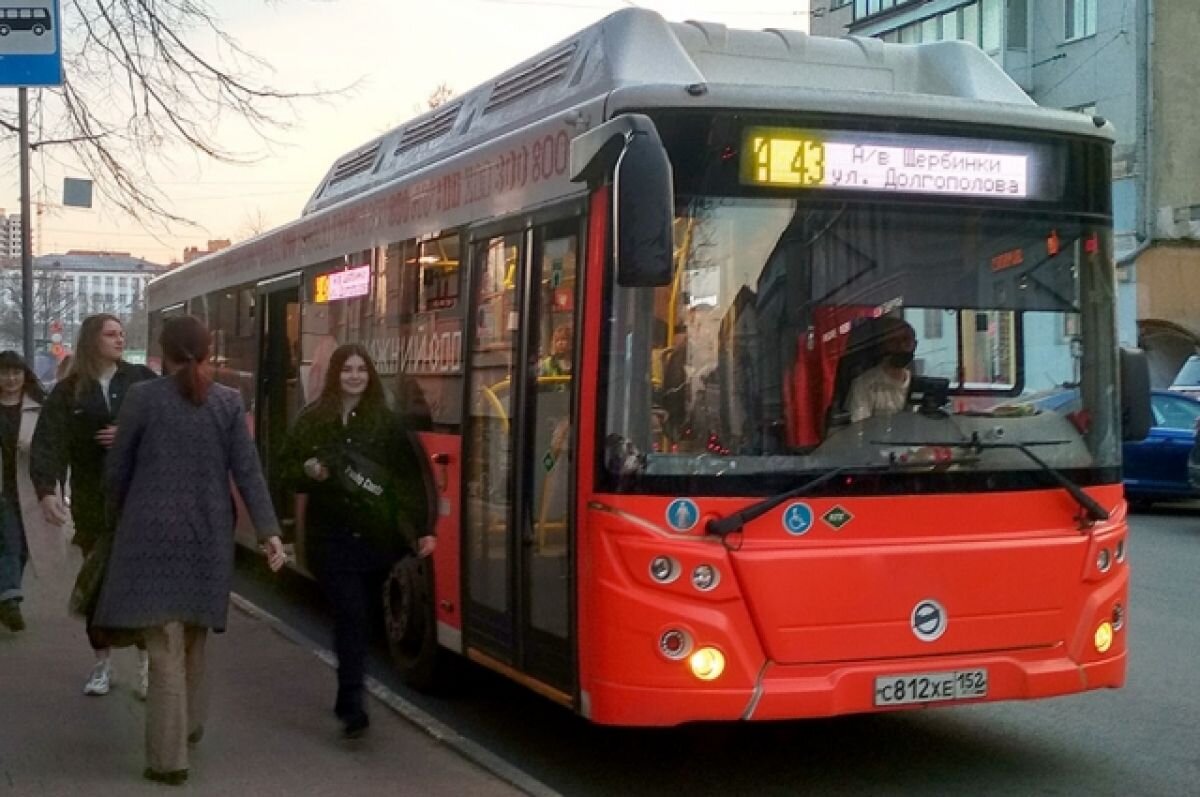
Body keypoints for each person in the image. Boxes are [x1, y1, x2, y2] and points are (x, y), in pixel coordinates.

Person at [91, 315, 286, 786]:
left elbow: (117, 471)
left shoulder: (142, 399)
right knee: (194, 640)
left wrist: (109, 516)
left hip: (150, 537)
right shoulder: (227, 403)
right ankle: (190, 726)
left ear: (164, 352)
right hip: (208, 537)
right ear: (205, 351)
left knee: (163, 647)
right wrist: (269, 532)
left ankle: (167, 759)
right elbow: (249, 473)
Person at [283, 344, 434, 739]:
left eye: (360, 369)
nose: (354, 376)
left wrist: (423, 529)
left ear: (369, 375)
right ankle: (352, 702)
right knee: (351, 614)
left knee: (361, 617)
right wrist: (306, 470)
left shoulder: (386, 423)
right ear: (336, 374)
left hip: (373, 539)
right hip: (328, 537)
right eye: (347, 369)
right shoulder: (313, 419)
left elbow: (410, 480)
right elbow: (283, 468)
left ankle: (348, 691)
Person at [30, 314, 157, 697]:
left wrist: (128, 432)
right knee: (96, 585)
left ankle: (146, 664)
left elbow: (170, 425)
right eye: (111, 334)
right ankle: (102, 664)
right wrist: (47, 490)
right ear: (92, 340)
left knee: (139, 586)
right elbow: (49, 442)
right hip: (92, 502)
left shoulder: (141, 381)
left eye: (122, 333)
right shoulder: (69, 391)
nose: (120, 339)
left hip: (139, 501)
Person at [0, 352, 63, 632]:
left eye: (16, 372)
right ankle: (10, 599)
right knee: (10, 542)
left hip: (28, 487)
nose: (10, 379)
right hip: (2, 488)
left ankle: (7, 593)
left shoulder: (39, 407)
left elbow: (53, 445)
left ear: (25, 375)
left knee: (24, 546)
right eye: (4, 373)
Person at [846, 316, 916, 423]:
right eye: (893, 340)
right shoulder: (864, 385)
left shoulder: (919, 385)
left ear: (915, 345)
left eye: (906, 340)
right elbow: (858, 430)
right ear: (883, 345)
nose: (901, 346)